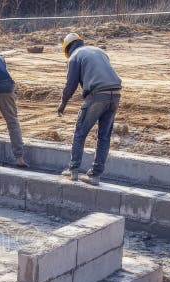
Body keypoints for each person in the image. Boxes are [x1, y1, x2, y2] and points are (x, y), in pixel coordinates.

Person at [57, 33, 122, 186]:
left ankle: (73, 170)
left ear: (67, 49)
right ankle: (95, 175)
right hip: (116, 94)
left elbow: (70, 85)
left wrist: (62, 104)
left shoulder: (74, 57)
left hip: (97, 95)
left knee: (80, 132)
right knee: (104, 136)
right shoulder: (99, 51)